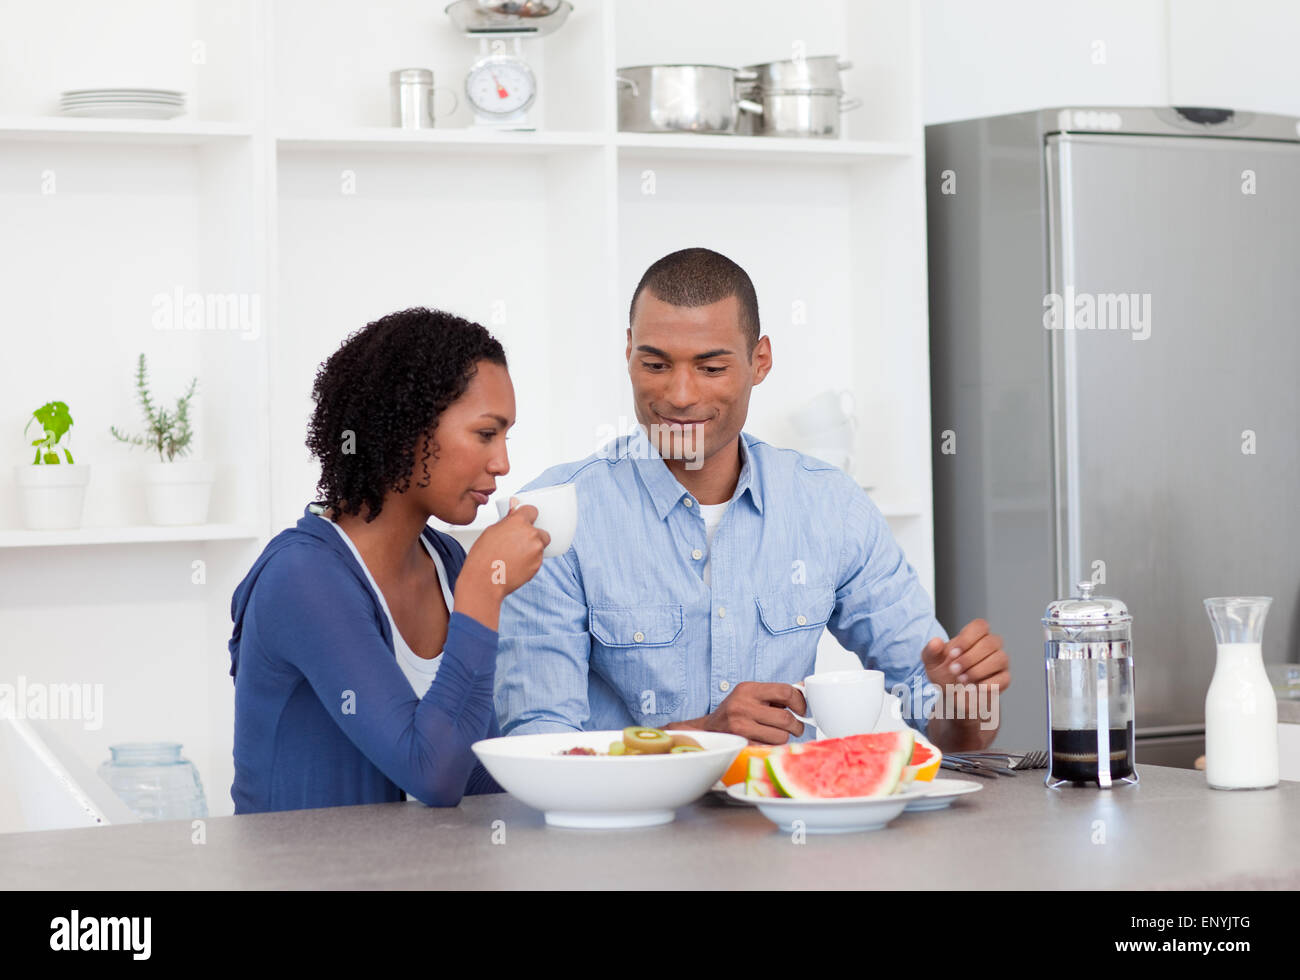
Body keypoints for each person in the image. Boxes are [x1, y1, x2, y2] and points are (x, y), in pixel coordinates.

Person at [495, 249, 1010, 752]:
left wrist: (964, 701)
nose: (679, 394)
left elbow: (949, 727)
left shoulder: (830, 507)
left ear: (759, 361)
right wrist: (704, 736)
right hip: (623, 834)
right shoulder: (557, 516)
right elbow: (538, 744)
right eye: (655, 364)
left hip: (790, 831)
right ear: (628, 351)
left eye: (711, 368)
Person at [228, 307, 548, 813]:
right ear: (407, 431)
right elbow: (435, 776)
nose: (502, 463)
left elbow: (477, 781)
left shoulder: (445, 562)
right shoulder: (302, 578)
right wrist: (485, 589)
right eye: (486, 434)